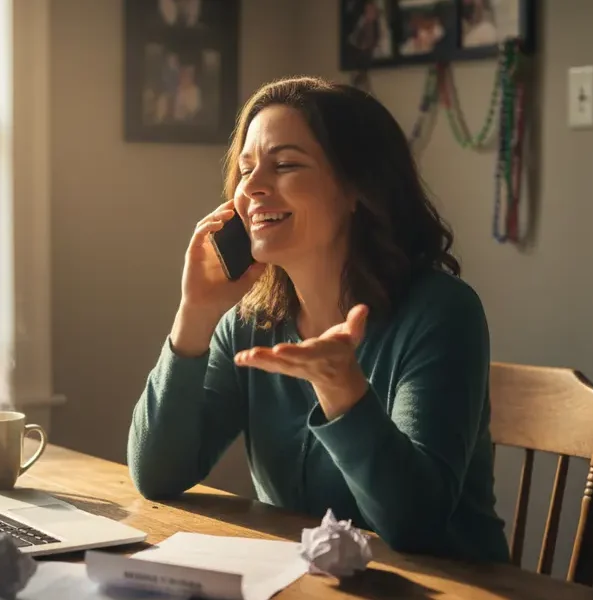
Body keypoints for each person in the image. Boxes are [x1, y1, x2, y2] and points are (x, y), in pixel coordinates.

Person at [127, 76, 510, 563]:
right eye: (245, 170)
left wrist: (342, 391)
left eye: (285, 165)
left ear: (357, 189)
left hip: (451, 587)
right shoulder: (249, 322)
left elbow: (414, 524)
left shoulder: (442, 312)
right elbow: (156, 476)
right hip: (305, 583)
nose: (253, 187)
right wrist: (194, 315)